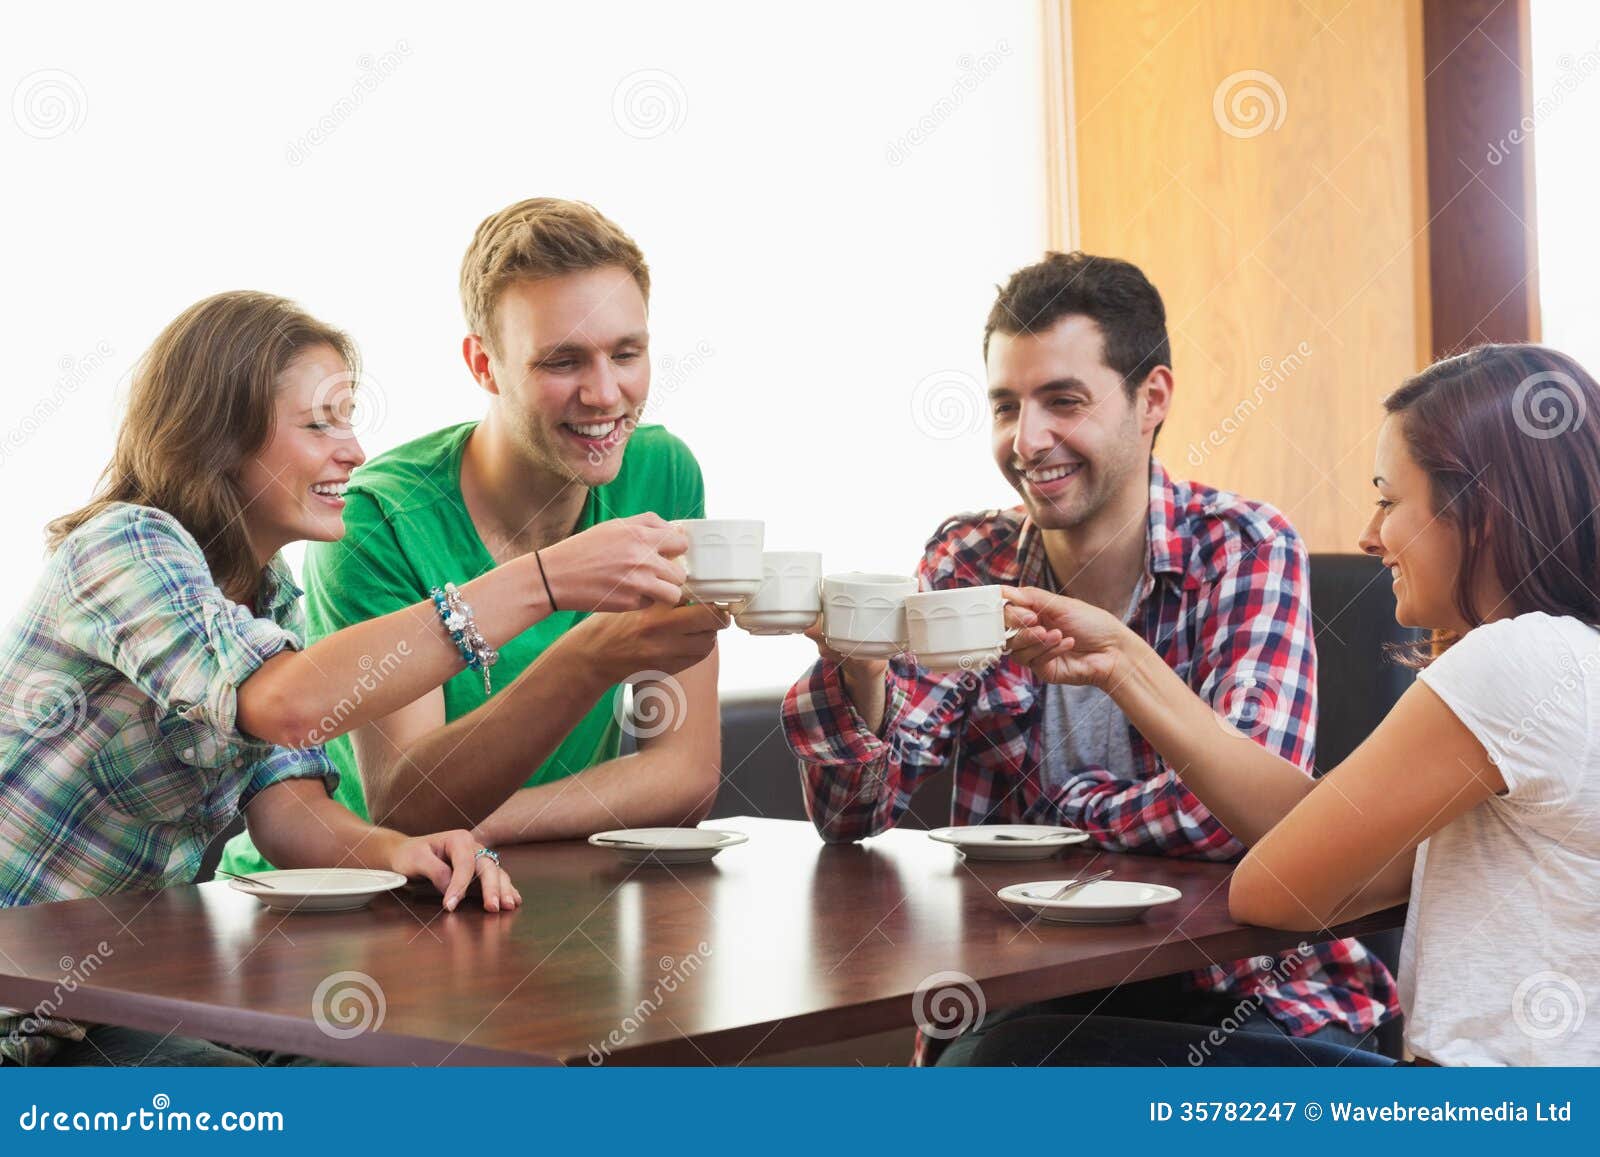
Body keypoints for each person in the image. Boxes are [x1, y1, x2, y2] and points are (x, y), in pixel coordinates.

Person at [0, 290, 687, 1066]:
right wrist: (541, 582)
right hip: (18, 1014)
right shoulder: (126, 548)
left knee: (385, 1076)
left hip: (94, 1006)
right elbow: (287, 706)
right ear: (220, 439)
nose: (354, 451)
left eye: (349, 419)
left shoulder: (268, 596)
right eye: (320, 423)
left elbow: (290, 807)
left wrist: (401, 851)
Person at [782, 252, 1396, 1064]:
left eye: (1063, 401)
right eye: (1006, 406)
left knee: (988, 1077)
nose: (1028, 440)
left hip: (1239, 992)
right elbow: (852, 814)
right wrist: (858, 670)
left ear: (1152, 400)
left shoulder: (1243, 547)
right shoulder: (971, 558)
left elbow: (1245, 813)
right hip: (1029, 987)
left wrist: (1063, 812)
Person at [999, 343, 1600, 1066]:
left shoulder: (1511, 664)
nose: (1369, 534)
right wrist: (1125, 663)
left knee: (1006, 1056)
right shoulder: (1570, 660)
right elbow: (1322, 840)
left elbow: (1273, 889)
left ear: (1480, 512)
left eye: (1387, 498)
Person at [219, 198, 725, 881]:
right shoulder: (376, 518)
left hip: (521, 883)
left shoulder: (661, 474)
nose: (605, 393)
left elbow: (685, 775)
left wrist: (480, 822)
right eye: (562, 361)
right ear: (483, 363)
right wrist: (588, 658)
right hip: (338, 903)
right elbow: (405, 808)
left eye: (626, 353)